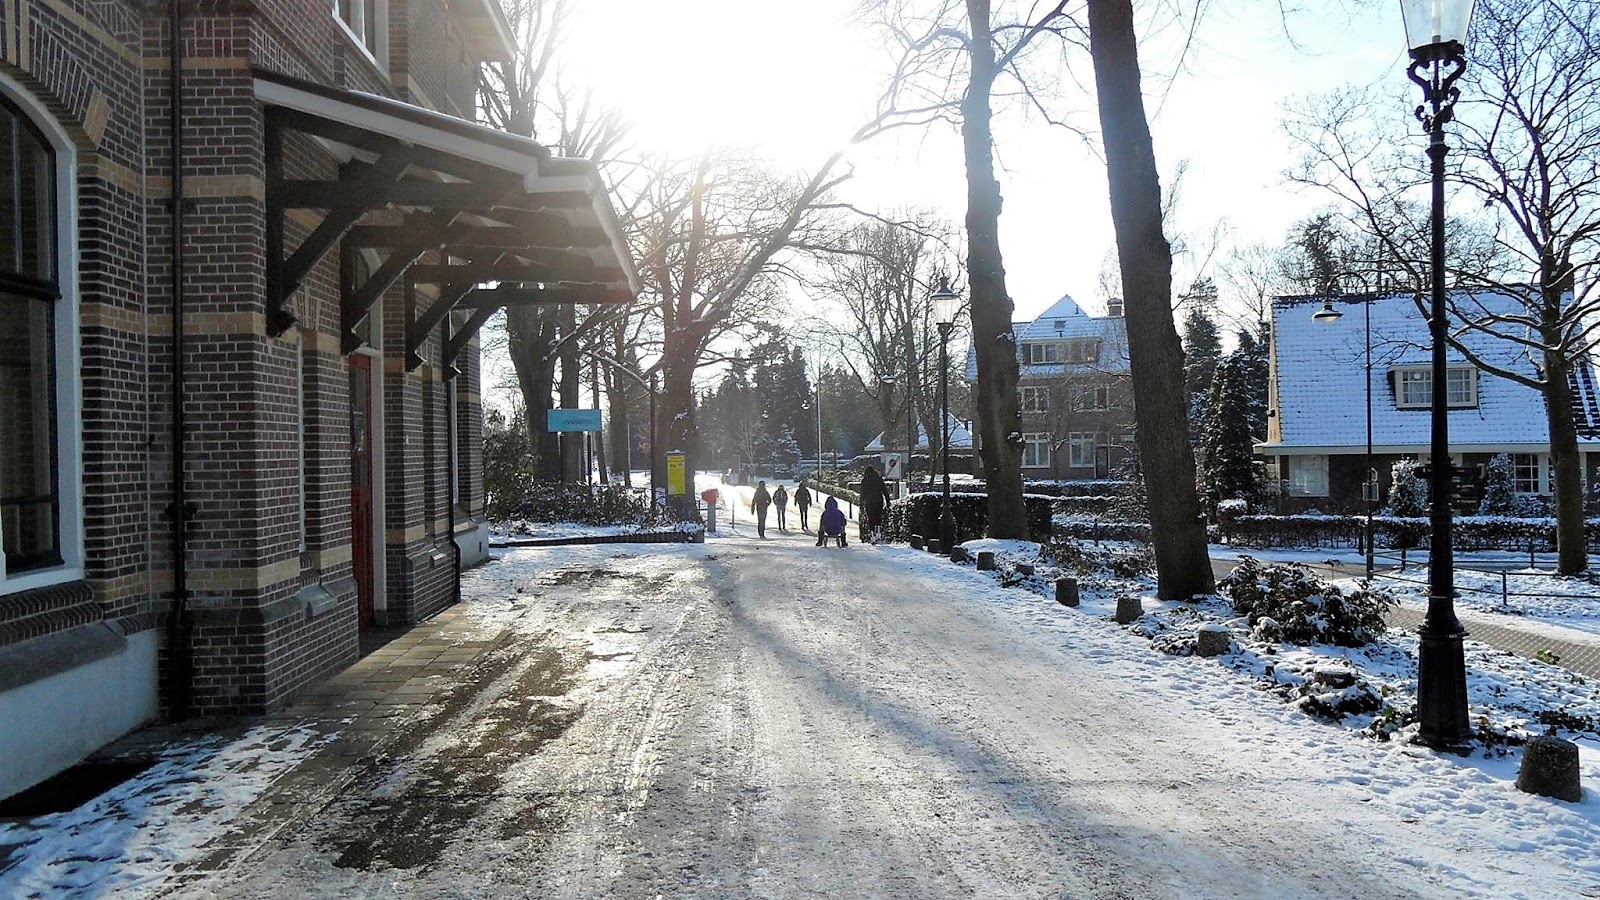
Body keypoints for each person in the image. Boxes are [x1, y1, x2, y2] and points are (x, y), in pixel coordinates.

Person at [860, 464, 892, 544]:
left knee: (871, 520)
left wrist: (861, 505)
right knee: (878, 518)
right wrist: (888, 502)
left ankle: (872, 536)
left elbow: (862, 494)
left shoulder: (864, 480)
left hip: (869, 502)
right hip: (878, 501)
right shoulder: (879, 479)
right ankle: (878, 534)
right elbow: (885, 491)